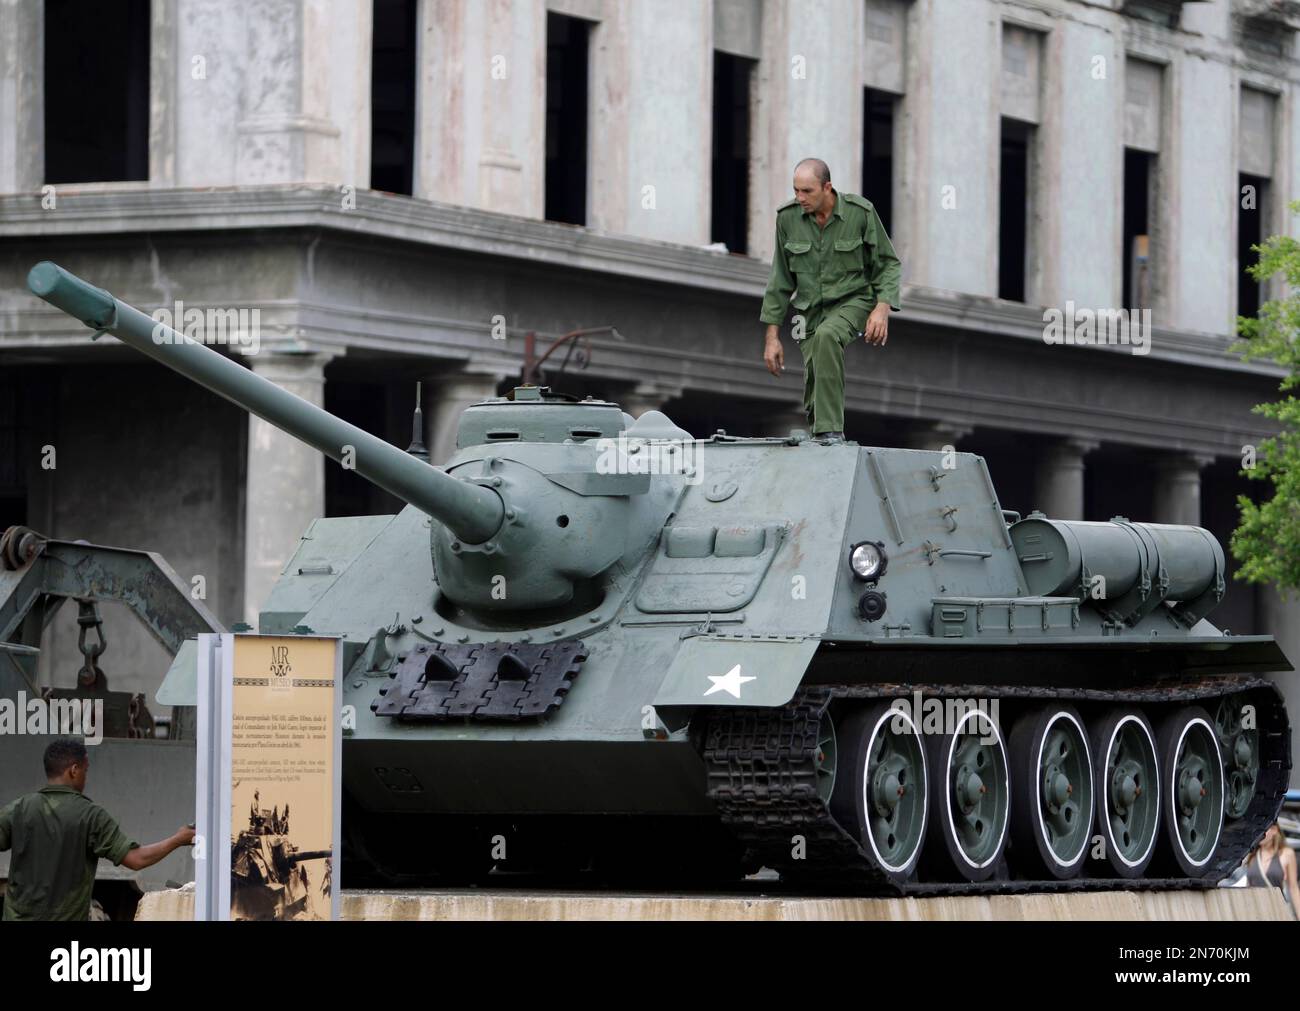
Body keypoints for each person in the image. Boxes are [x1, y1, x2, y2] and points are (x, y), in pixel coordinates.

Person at [760, 157, 901, 441]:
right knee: (814, 375)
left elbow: (888, 263)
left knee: (827, 336)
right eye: (796, 190)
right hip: (809, 310)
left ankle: (830, 433)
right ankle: (820, 432)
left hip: (855, 301)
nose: (800, 198)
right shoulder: (787, 218)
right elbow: (780, 280)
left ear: (828, 187)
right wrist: (772, 337)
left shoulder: (860, 213)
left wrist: (882, 308)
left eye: (807, 191)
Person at [0, 738, 195, 920]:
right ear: (74, 770)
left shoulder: (19, 809)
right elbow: (137, 859)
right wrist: (178, 839)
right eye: (86, 770)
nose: (86, 777)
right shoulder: (90, 816)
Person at [1244, 821, 1300, 916]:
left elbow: (1293, 887)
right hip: (1255, 912)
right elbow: (1247, 887)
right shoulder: (1251, 856)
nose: (1259, 833)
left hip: (1277, 910)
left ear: (1274, 830)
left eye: (1263, 830)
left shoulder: (1286, 854)